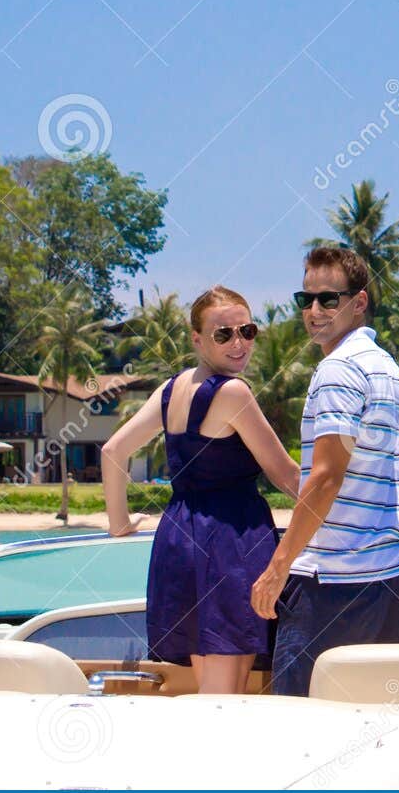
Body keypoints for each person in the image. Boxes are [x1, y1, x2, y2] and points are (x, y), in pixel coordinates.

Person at [249, 246, 399, 697]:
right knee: (376, 730)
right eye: (306, 299)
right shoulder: (392, 373)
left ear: (359, 302)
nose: (314, 311)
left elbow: (326, 477)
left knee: (302, 730)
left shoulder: (338, 370)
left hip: (329, 590)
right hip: (390, 588)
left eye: (328, 299)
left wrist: (278, 568)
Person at [102, 285, 301, 694]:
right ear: (197, 340)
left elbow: (113, 450)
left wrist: (119, 524)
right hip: (230, 543)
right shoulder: (233, 392)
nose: (239, 343)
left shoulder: (171, 389)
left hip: (180, 540)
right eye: (223, 334)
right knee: (224, 696)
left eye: (247, 331)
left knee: (209, 682)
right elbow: (287, 477)